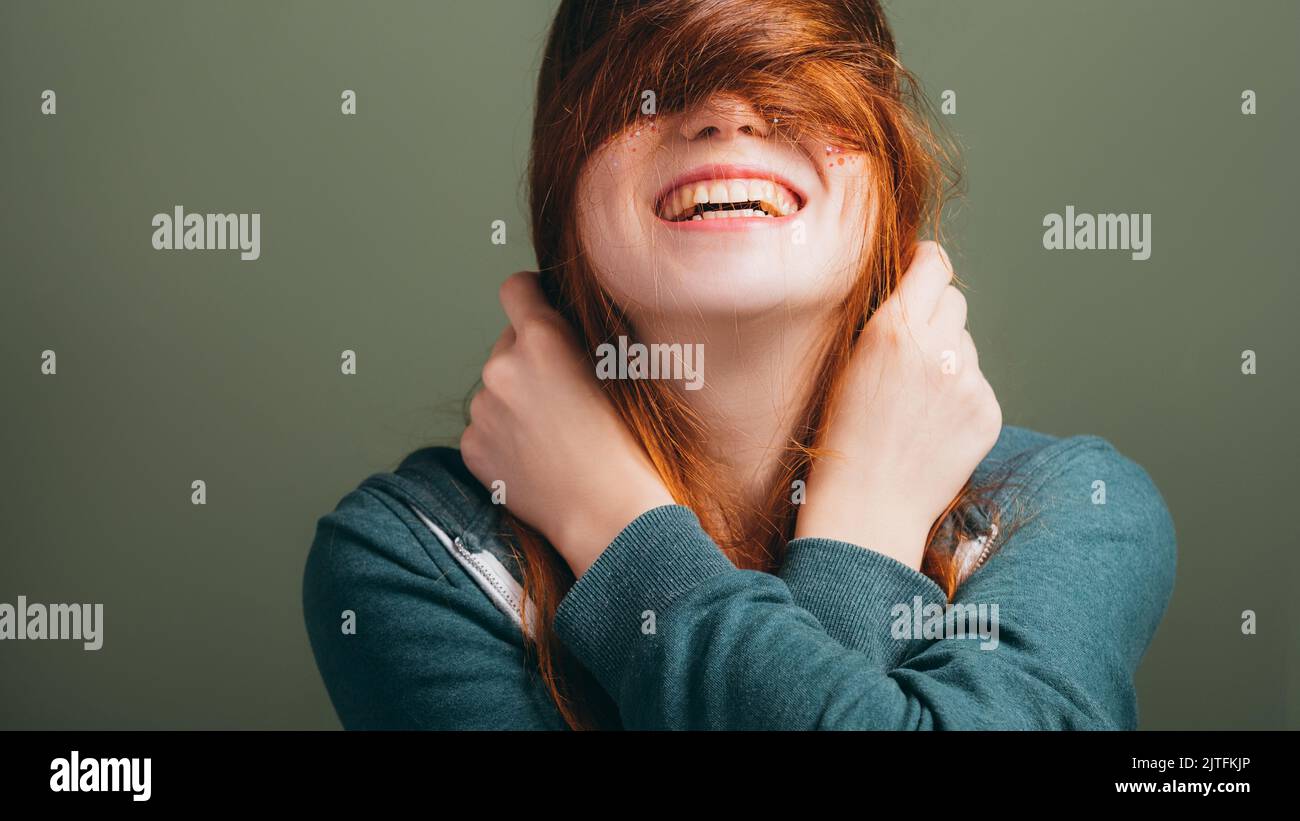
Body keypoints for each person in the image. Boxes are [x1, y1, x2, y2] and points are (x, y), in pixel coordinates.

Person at [302, 0, 1176, 730]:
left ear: (892, 188)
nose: (726, 115)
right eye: (652, 88)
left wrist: (613, 525)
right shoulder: (418, 558)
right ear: (561, 189)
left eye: (794, 83)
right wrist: (854, 559)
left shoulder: (1070, 513)